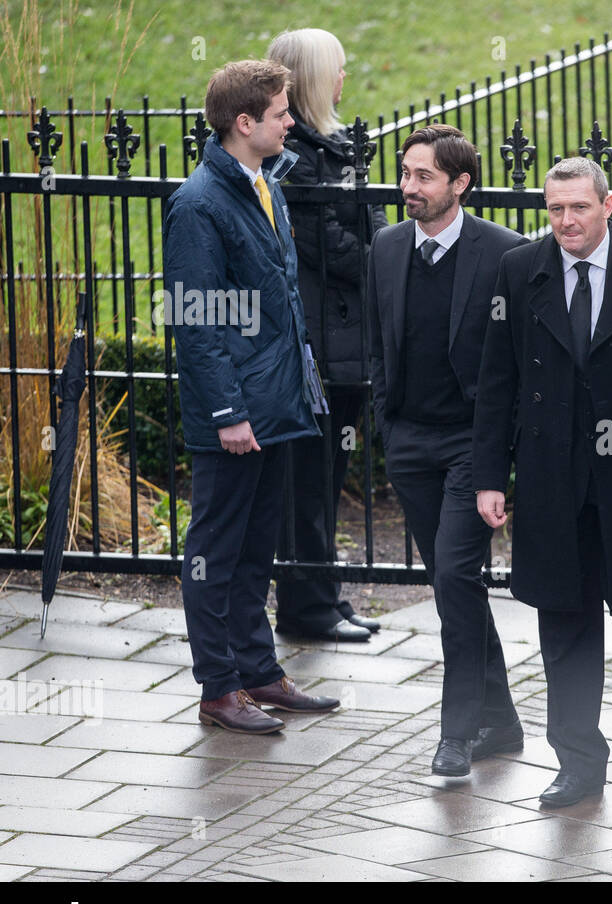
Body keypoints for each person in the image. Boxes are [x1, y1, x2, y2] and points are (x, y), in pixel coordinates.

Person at [474, 157, 612, 808]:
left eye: (579, 208)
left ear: (607, 206)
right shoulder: (521, 271)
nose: (567, 222)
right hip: (552, 477)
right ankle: (578, 762)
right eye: (555, 210)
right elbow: (499, 382)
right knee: (564, 622)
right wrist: (491, 475)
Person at [164, 59, 338, 734]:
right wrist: (227, 413)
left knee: (257, 545)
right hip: (235, 414)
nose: (291, 121)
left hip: (274, 403)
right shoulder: (200, 204)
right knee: (217, 547)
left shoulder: (268, 183)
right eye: (280, 112)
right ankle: (218, 688)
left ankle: (259, 673)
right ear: (245, 123)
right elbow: (196, 321)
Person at [367, 125, 527, 777]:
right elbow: (380, 344)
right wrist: (388, 425)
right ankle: (506, 721)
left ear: (460, 184)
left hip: (472, 446)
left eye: (423, 177)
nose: (409, 188)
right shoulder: (386, 246)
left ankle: (457, 732)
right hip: (410, 442)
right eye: (405, 174)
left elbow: (519, 363)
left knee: (457, 579)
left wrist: (503, 455)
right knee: (452, 584)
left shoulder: (505, 252)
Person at [267, 28, 387, 644]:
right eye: (335, 70)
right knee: (307, 479)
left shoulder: (336, 146)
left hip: (346, 338)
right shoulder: (293, 160)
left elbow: (368, 225)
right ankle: (304, 607)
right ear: (314, 78)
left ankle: (325, 595)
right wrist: (385, 259)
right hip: (316, 343)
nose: (344, 78)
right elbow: (329, 245)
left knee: (328, 472)